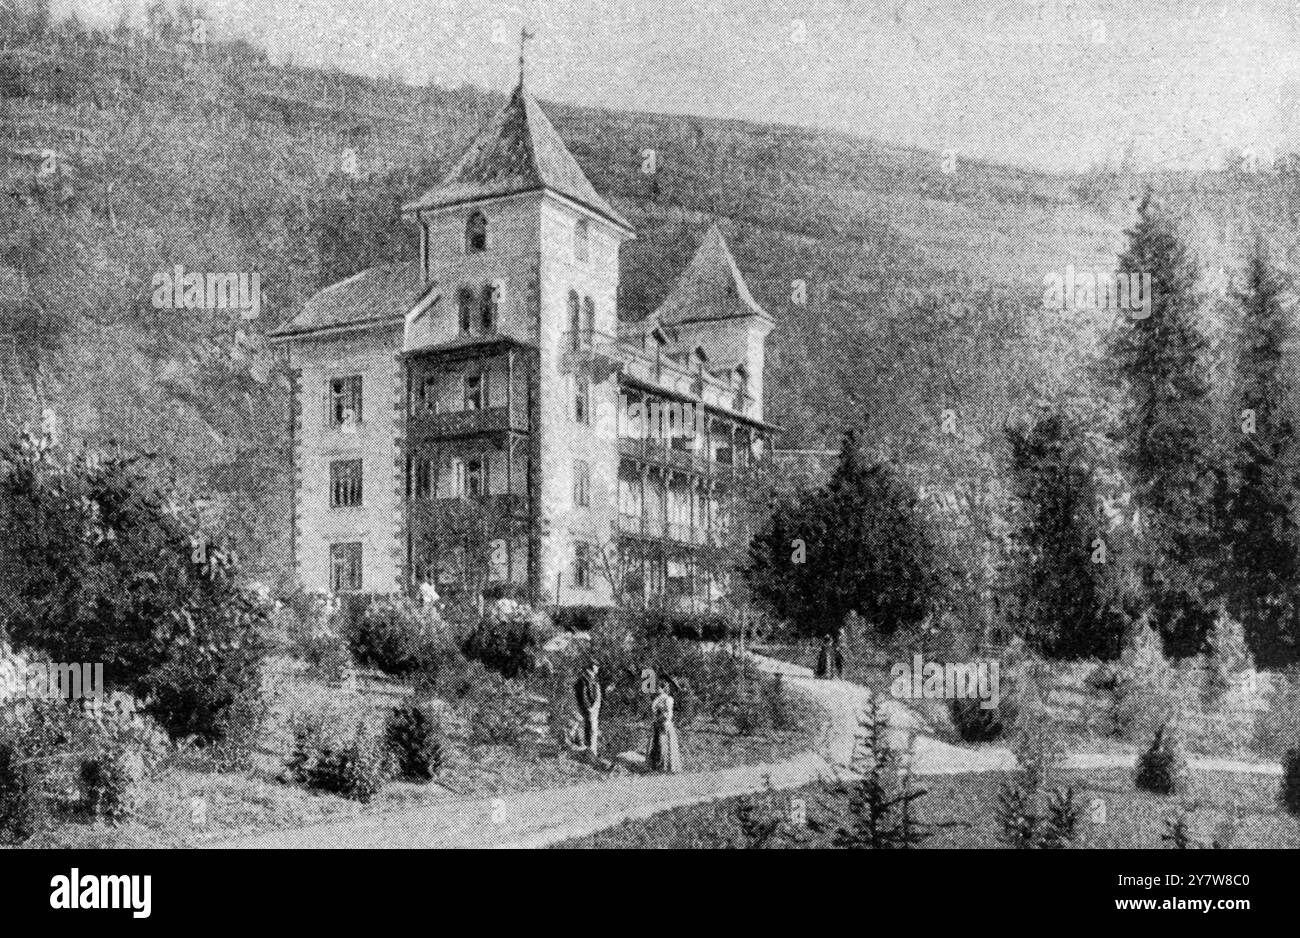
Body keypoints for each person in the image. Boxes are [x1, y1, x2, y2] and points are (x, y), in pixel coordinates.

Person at [646, 680, 682, 773]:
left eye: (659, 688)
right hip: (657, 723)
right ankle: (656, 766)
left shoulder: (668, 699)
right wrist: (655, 719)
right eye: (657, 688)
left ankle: (667, 767)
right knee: (656, 744)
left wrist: (665, 721)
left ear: (664, 689)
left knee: (665, 744)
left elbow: (669, 712)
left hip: (664, 723)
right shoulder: (657, 699)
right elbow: (653, 711)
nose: (658, 690)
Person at [573, 660, 602, 756]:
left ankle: (592, 751)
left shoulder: (593, 678)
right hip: (588, 708)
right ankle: (590, 752)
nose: (598, 668)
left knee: (592, 729)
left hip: (593, 708)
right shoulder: (584, 679)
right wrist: (588, 707)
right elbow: (583, 695)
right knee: (590, 729)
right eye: (596, 666)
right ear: (592, 667)